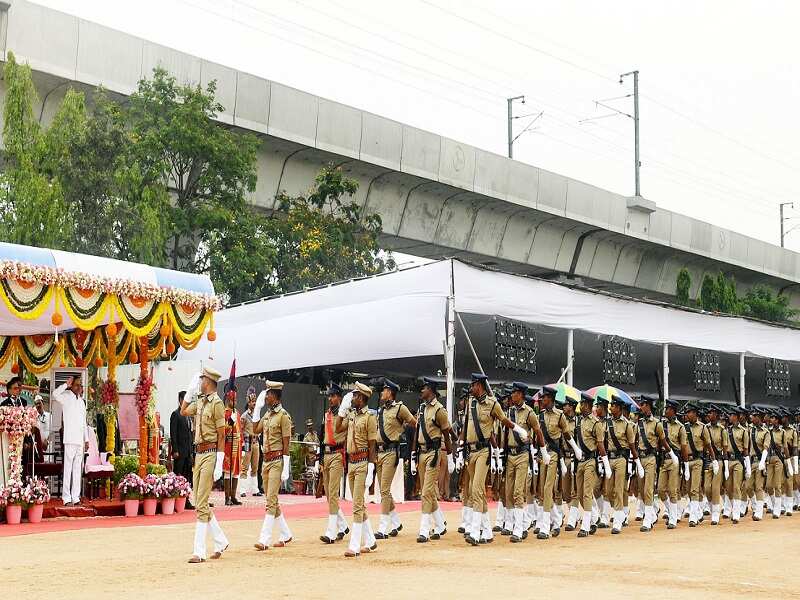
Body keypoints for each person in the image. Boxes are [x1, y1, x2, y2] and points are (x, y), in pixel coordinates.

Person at [460, 373, 531, 546]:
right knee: (474, 489)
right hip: (471, 451)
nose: (471, 388)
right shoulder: (471, 402)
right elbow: (466, 425)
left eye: (474, 384)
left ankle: (476, 531)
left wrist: (519, 430)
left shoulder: (493, 404)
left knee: (477, 488)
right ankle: (488, 531)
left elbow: (504, 420)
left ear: (481, 386)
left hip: (484, 451)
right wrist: (461, 445)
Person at [180, 366, 229, 563]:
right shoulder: (200, 401)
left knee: (200, 502)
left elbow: (221, 434)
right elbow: (183, 411)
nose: (200, 383)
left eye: (201, 380)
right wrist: (189, 393)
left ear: (208, 381)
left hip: (210, 454)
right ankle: (220, 540)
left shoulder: (217, 404)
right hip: (199, 454)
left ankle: (199, 551)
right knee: (199, 500)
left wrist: (219, 460)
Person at [335, 382, 378, 557]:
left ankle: (354, 544)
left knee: (357, 505)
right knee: (357, 504)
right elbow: (338, 428)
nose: (352, 398)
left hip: (362, 463)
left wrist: (371, 467)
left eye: (354, 396)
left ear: (362, 398)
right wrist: (342, 411)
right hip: (351, 462)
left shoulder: (369, 417)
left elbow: (372, 445)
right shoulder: (352, 414)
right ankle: (371, 541)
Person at [535, 385, 581, 540]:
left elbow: (567, 435)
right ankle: (556, 521)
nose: (542, 400)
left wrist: (576, 449)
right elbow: (538, 437)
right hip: (543, 454)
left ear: (551, 399)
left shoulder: (560, 415)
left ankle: (545, 526)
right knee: (542, 490)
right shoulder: (540, 415)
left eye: (545, 397)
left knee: (549, 488)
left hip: (554, 454)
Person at [502, 382, 545, 543]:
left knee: (518, 492)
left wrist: (542, 451)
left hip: (522, 455)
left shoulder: (529, 413)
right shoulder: (509, 412)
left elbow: (538, 432)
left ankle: (518, 530)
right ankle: (524, 522)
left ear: (520, 394)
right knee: (508, 493)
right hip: (510, 455)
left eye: (514, 393)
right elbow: (505, 435)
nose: (512, 396)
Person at [373, 379, 417, 539]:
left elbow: (414, 423)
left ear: (390, 392)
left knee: (384, 490)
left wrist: (403, 432)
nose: (382, 393)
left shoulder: (400, 408)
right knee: (384, 491)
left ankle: (383, 527)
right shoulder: (381, 410)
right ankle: (396, 522)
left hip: (392, 451)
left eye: (384, 390)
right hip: (379, 452)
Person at [411, 378, 453, 543]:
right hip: (421, 453)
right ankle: (441, 524)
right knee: (427, 491)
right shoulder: (421, 409)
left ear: (431, 390)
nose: (421, 391)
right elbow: (417, 432)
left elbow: (447, 435)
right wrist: (414, 453)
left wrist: (449, 457)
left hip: (433, 453)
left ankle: (424, 529)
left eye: (424, 388)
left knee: (427, 492)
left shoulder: (440, 410)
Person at [253, 381, 293, 550]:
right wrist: (257, 409)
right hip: (267, 461)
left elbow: (286, 443)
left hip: (277, 461)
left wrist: (285, 467)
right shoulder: (268, 415)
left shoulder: (283, 416)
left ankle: (264, 539)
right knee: (272, 500)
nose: (266, 396)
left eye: (268, 393)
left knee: (270, 500)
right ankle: (286, 533)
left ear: (275, 396)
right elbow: (255, 429)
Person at [316, 383, 350, 544]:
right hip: (327, 454)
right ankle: (343, 525)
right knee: (329, 496)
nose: (330, 399)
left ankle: (331, 532)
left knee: (333, 493)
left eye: (333, 396)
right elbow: (322, 438)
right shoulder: (327, 414)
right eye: (329, 396)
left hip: (337, 453)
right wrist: (320, 458)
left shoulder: (346, 416)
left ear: (340, 398)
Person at [574, 392, 609, 538]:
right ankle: (594, 518)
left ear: (587, 405)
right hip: (580, 462)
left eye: (582, 404)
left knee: (587, 493)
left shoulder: (596, 423)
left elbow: (600, 445)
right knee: (580, 495)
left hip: (590, 461)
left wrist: (605, 464)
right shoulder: (579, 421)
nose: (580, 406)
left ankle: (586, 526)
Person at [603, 395, 640, 535]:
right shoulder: (607, 423)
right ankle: (621, 513)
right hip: (610, 459)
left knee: (619, 490)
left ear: (619, 408)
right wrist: (603, 462)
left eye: (613, 406)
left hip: (621, 460)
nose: (610, 407)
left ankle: (618, 521)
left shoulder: (627, 425)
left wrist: (635, 464)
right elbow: (604, 443)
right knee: (608, 490)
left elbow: (632, 446)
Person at [51, 376, 89, 507]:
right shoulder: (66, 396)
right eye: (76, 385)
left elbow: (84, 422)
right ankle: (66, 498)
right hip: (69, 439)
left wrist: (87, 439)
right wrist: (65, 385)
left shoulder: (82, 402)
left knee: (77, 469)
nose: (79, 387)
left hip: (79, 440)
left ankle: (75, 497)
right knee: (68, 469)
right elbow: (54, 394)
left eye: (80, 385)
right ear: (71, 386)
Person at [635, 395, 668, 532]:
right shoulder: (639, 423)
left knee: (648, 489)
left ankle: (647, 520)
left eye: (642, 404)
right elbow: (636, 441)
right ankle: (653, 513)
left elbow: (662, 442)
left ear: (648, 405)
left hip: (651, 458)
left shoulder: (657, 424)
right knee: (642, 491)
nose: (640, 407)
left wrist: (669, 455)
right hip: (640, 459)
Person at [683, 403, 717, 527]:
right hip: (687, 461)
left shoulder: (703, 428)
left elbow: (708, 446)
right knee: (688, 489)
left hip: (698, 461)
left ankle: (693, 517)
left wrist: (714, 461)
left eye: (689, 412)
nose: (687, 415)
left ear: (695, 414)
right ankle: (698, 513)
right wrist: (684, 464)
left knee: (694, 488)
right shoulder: (684, 427)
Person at [657, 399, 688, 529]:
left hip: (675, 460)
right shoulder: (661, 425)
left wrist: (685, 465)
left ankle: (673, 519)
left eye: (668, 409)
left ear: (673, 411)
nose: (665, 411)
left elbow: (684, 447)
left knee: (672, 490)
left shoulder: (680, 427)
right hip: (664, 460)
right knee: (660, 490)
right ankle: (672, 512)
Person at [704, 405, 730, 525]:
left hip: (718, 461)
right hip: (708, 461)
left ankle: (715, 513)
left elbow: (725, 448)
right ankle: (712, 507)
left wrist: (725, 465)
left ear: (716, 415)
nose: (709, 415)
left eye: (711, 413)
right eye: (708, 413)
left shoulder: (722, 430)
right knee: (706, 488)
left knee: (715, 488)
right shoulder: (705, 428)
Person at [726, 407, 752, 524]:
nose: (729, 417)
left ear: (736, 417)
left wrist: (748, 467)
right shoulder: (727, 430)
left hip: (738, 461)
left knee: (736, 487)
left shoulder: (744, 431)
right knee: (728, 487)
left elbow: (746, 451)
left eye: (731, 415)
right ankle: (734, 507)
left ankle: (736, 513)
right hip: (729, 461)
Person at [170, 391, 195, 509]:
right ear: (180, 400)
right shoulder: (175, 414)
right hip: (179, 451)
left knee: (187, 476)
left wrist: (192, 452)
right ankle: (176, 499)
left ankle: (185, 499)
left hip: (188, 451)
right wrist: (175, 450)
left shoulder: (188, 415)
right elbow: (173, 434)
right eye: (186, 399)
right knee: (178, 475)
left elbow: (191, 434)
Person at [766, 410, 791, 519]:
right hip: (770, 459)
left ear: (776, 420)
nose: (770, 420)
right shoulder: (768, 431)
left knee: (777, 485)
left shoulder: (782, 432)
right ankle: (777, 504)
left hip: (779, 459)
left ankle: (777, 509)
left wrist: (788, 462)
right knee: (768, 486)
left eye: (772, 418)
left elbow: (785, 448)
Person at [240, 390, 262, 498]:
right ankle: (242, 490)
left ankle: (255, 489)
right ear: (248, 403)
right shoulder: (244, 416)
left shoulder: (256, 416)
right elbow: (241, 430)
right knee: (245, 467)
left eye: (255, 401)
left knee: (255, 467)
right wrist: (243, 442)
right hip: (248, 442)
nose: (254, 403)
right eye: (252, 401)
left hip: (256, 442)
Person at [222, 388, 242, 506]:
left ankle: (233, 496)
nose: (235, 402)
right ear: (228, 400)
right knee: (227, 471)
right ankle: (227, 497)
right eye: (233, 400)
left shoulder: (237, 413)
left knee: (235, 472)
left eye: (236, 400)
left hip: (237, 446)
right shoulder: (224, 413)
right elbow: (223, 430)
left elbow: (240, 430)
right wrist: (229, 421)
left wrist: (242, 445)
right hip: (228, 445)